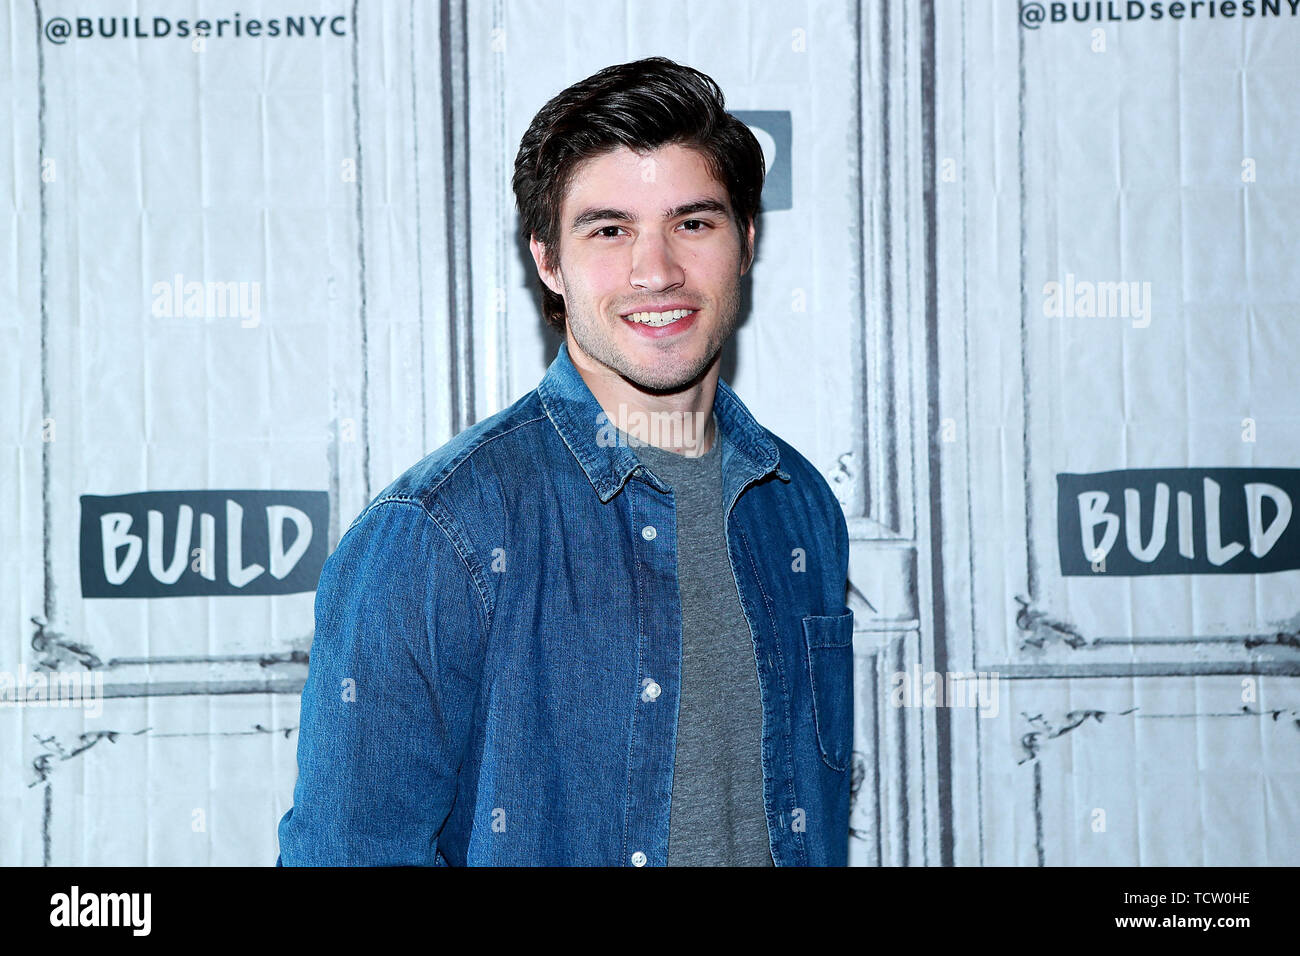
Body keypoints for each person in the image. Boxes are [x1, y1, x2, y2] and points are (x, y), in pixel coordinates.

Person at [276, 55, 854, 867]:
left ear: (746, 243)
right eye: (609, 229)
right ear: (547, 260)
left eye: (694, 222)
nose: (656, 271)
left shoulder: (798, 507)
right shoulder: (436, 533)